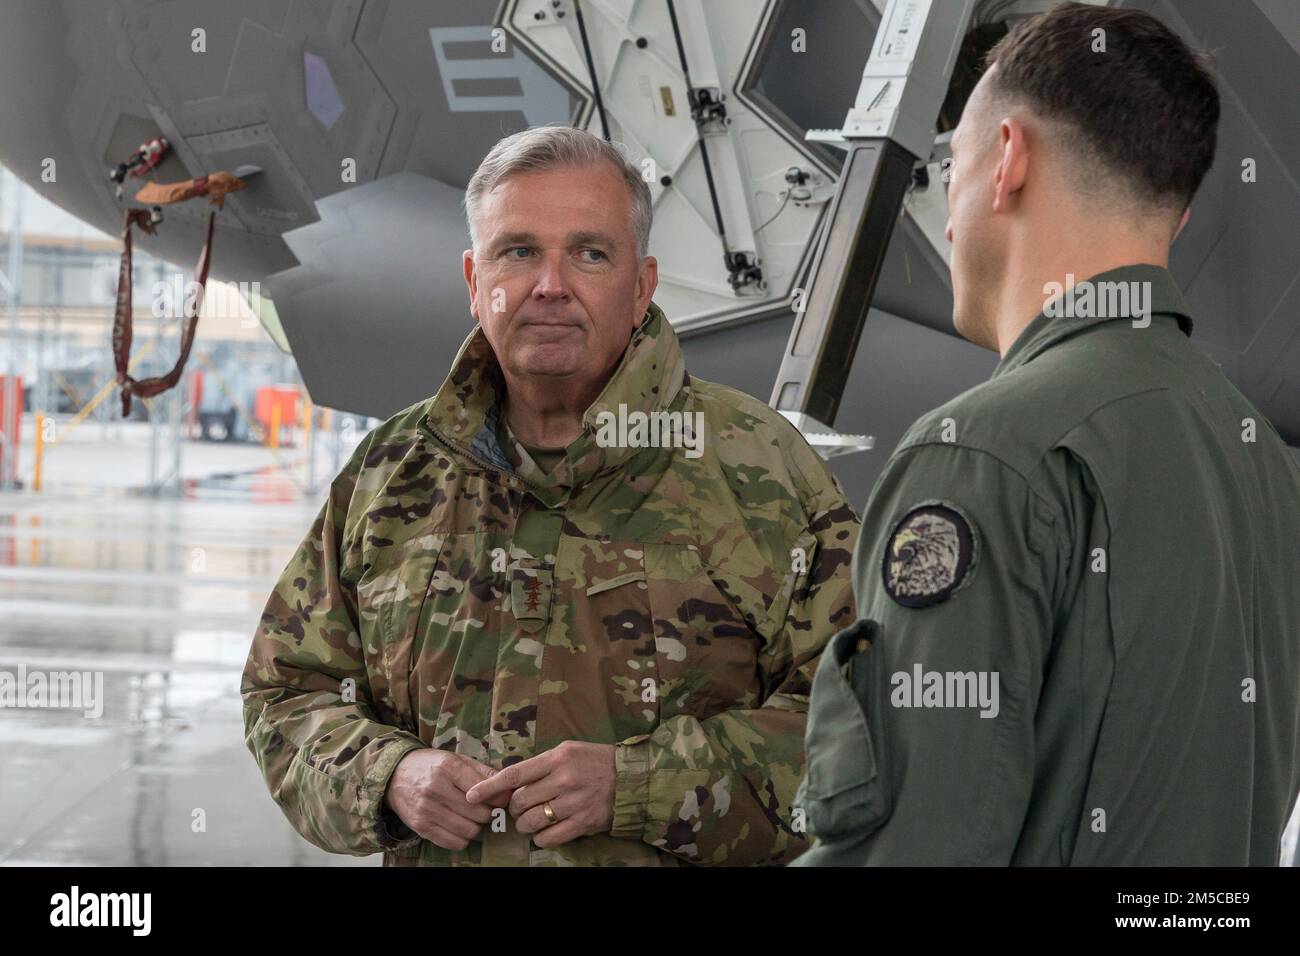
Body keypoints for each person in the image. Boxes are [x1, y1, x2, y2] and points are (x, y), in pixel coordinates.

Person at [241, 125, 859, 866]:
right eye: (519, 251)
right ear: (475, 282)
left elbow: (855, 721)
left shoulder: (758, 469)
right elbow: (286, 695)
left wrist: (642, 785)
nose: (551, 285)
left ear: (642, 287)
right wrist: (390, 775)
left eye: (590, 253)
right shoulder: (391, 475)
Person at [794, 2, 1300, 865]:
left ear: (1008, 161)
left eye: (950, 165)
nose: (947, 219)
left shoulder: (984, 454)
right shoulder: (1258, 456)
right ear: (1174, 221)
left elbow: (914, 849)